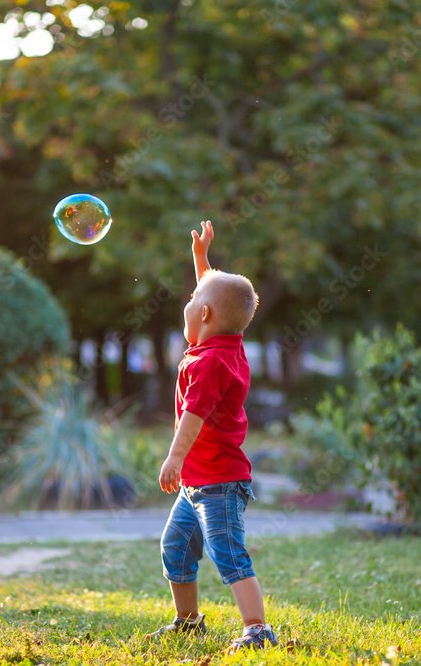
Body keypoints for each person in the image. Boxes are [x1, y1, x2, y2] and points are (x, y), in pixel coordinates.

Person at [145, 220, 277, 652]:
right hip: (198, 483)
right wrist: (202, 258)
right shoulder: (226, 342)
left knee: (228, 554)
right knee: (176, 548)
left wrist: (173, 458)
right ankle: (188, 623)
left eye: (193, 298)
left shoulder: (209, 363)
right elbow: (211, 295)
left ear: (203, 315)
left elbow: (193, 418)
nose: (191, 298)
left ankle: (257, 629)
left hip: (216, 482)